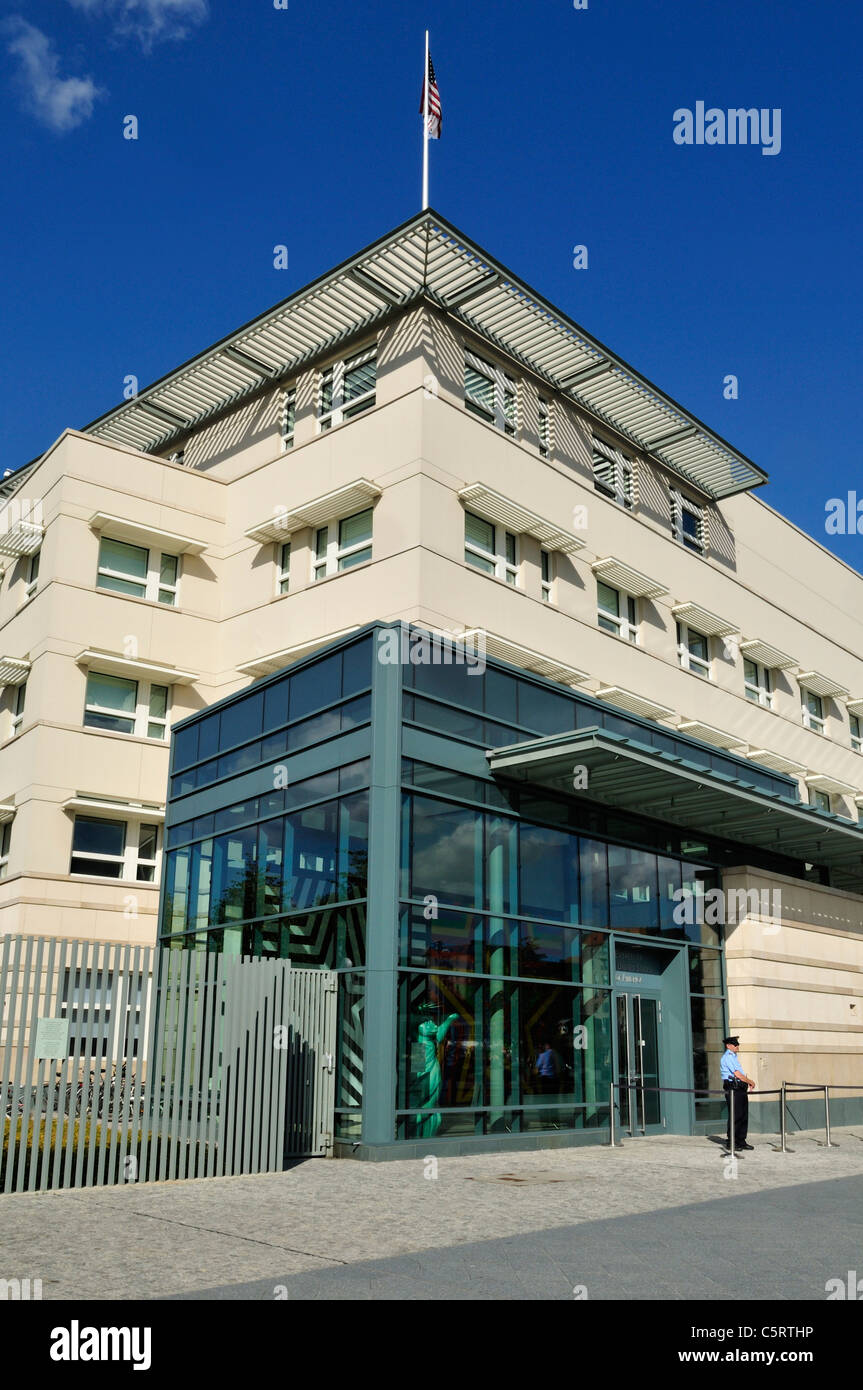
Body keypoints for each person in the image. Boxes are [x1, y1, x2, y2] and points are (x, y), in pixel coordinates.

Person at [720, 1035, 755, 1152]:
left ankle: (741, 1141)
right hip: (733, 1087)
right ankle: (732, 1142)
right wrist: (751, 1081)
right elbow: (737, 1074)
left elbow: (740, 1074)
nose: (737, 1046)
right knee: (735, 1115)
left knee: (743, 1115)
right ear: (728, 1046)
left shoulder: (734, 1056)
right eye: (735, 1044)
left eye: (737, 1044)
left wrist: (746, 1083)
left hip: (739, 1087)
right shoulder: (728, 1057)